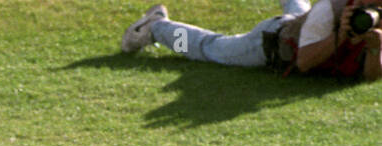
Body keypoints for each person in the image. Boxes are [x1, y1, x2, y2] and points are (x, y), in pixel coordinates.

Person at [122, 1, 382, 81]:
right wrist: (339, 38)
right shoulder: (331, 10)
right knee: (214, 48)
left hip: (299, 25)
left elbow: (371, 77)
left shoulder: (376, 20)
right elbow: (304, 63)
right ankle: (155, 27)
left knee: (299, 16)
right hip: (270, 42)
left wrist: (374, 48)